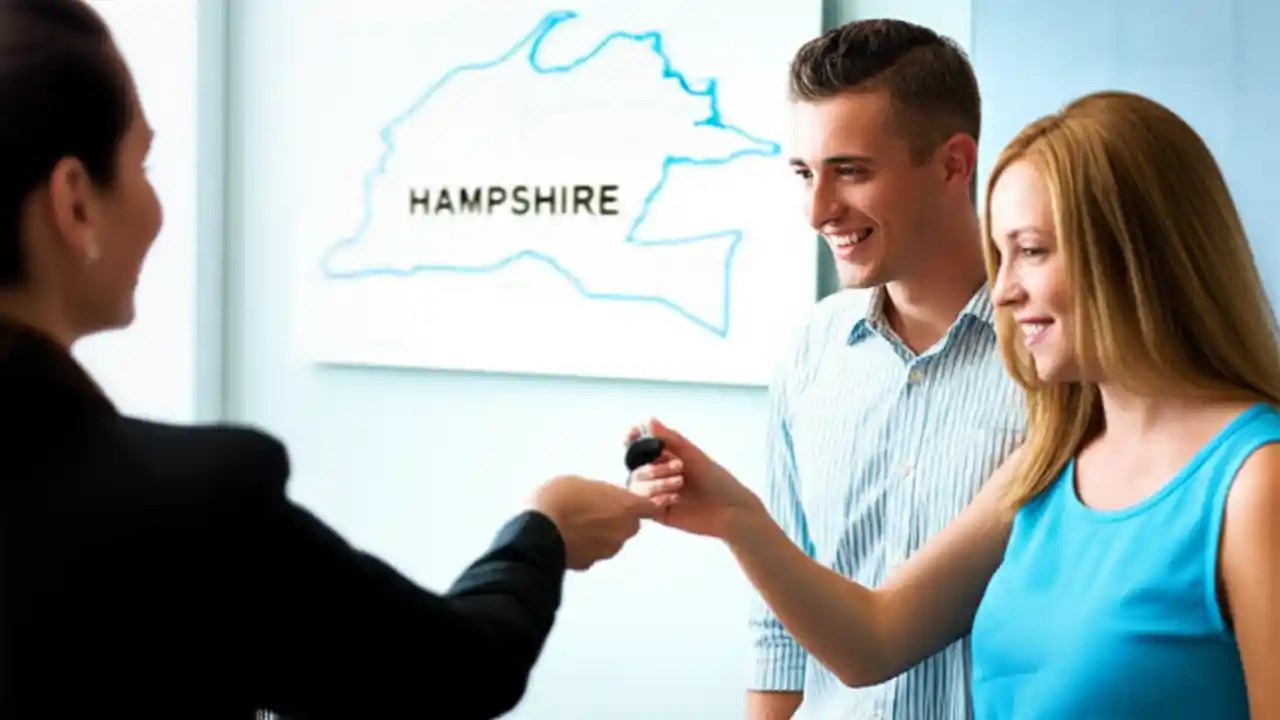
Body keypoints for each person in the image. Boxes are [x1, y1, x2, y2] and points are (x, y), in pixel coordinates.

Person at [0, 1, 656, 717]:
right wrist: (546, 530)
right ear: (74, 204)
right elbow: (457, 671)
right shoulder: (188, 509)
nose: (158, 205)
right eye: (142, 163)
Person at [630, 89, 1280, 718]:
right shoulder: (1054, 456)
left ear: (1136, 253)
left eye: (1030, 252)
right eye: (1001, 256)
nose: (1002, 292)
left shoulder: (1256, 482)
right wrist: (735, 516)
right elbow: (874, 639)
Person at [650, 19, 1025, 720]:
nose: (818, 210)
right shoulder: (810, 351)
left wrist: (735, 518)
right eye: (804, 173)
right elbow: (778, 628)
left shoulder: (1057, 359)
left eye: (850, 170)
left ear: (953, 164)